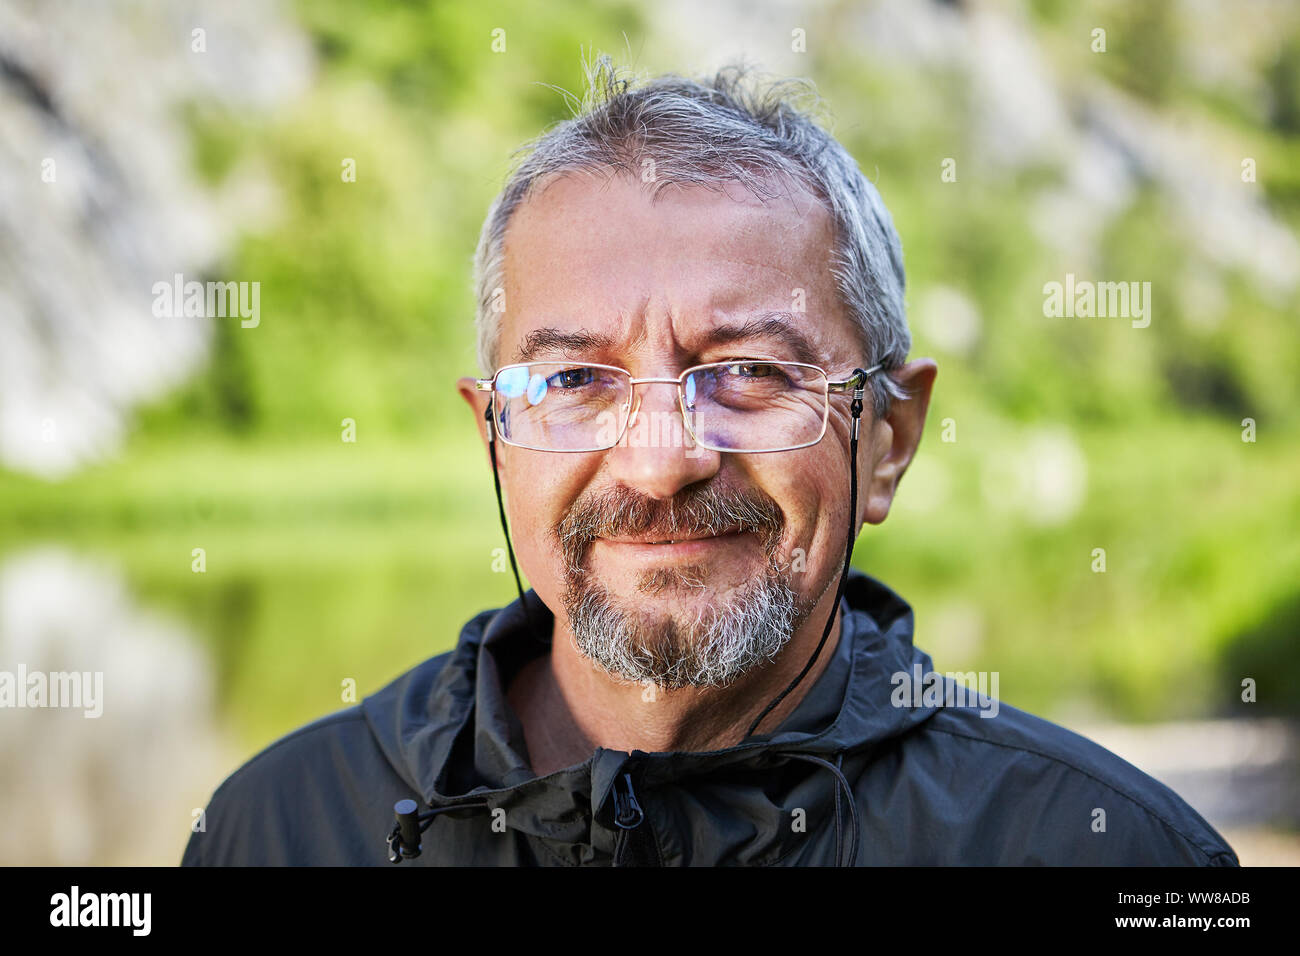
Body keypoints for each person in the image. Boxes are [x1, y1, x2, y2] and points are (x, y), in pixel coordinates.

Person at [183, 59, 1238, 867]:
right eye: (577, 382)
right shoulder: (282, 825)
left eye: (743, 370)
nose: (659, 462)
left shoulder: (1107, 852)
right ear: (494, 441)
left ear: (886, 437)